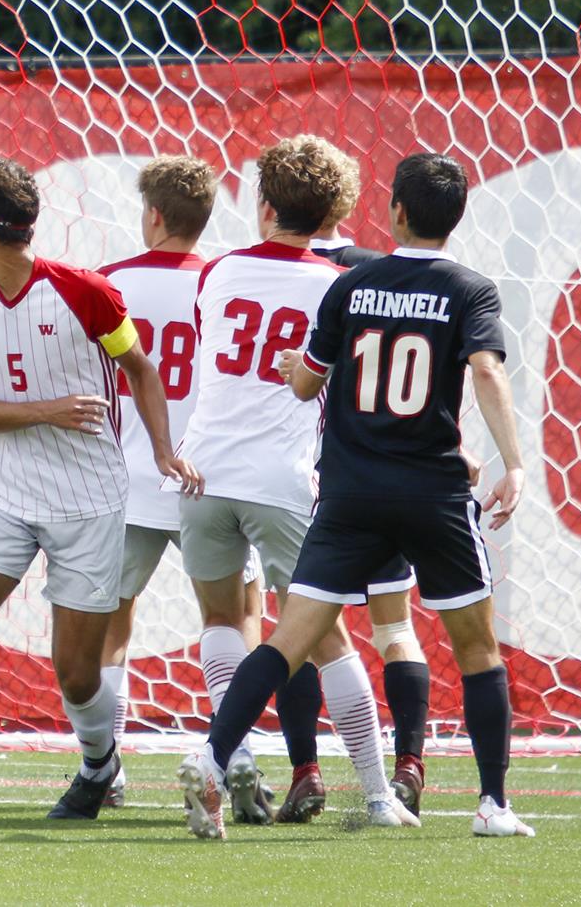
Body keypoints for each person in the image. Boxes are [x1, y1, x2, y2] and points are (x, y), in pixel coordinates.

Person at [180, 152, 533, 840]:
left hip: (348, 494)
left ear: (395, 210)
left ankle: (213, 754)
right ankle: (490, 802)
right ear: (455, 218)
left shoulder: (353, 285)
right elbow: (486, 373)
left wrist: (297, 367)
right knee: (475, 649)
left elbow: (307, 383)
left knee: (289, 638)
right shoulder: (470, 290)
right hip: (431, 492)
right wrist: (512, 463)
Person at [0, 156, 200, 820]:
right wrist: (48, 409)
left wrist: (163, 448)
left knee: (77, 673)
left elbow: (140, 367)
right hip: (8, 490)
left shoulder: (87, 291)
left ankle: (99, 763)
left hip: (89, 497)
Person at [176, 136, 413, 829]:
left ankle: (236, 753)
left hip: (205, 466)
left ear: (266, 203)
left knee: (222, 618)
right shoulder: (340, 285)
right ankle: (376, 794)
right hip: (284, 475)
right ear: (335, 211)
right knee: (324, 636)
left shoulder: (216, 272)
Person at [94, 155, 270, 813]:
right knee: (232, 618)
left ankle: (104, 767)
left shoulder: (107, 282)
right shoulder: (225, 282)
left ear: (155, 214)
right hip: (207, 478)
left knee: (110, 625)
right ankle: (237, 757)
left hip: (125, 478)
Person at [308, 149, 432, 818]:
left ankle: (306, 772)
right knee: (395, 629)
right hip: (383, 466)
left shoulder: (256, 269)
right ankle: (409, 758)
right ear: (352, 204)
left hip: (312, 473)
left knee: (299, 629)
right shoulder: (378, 272)